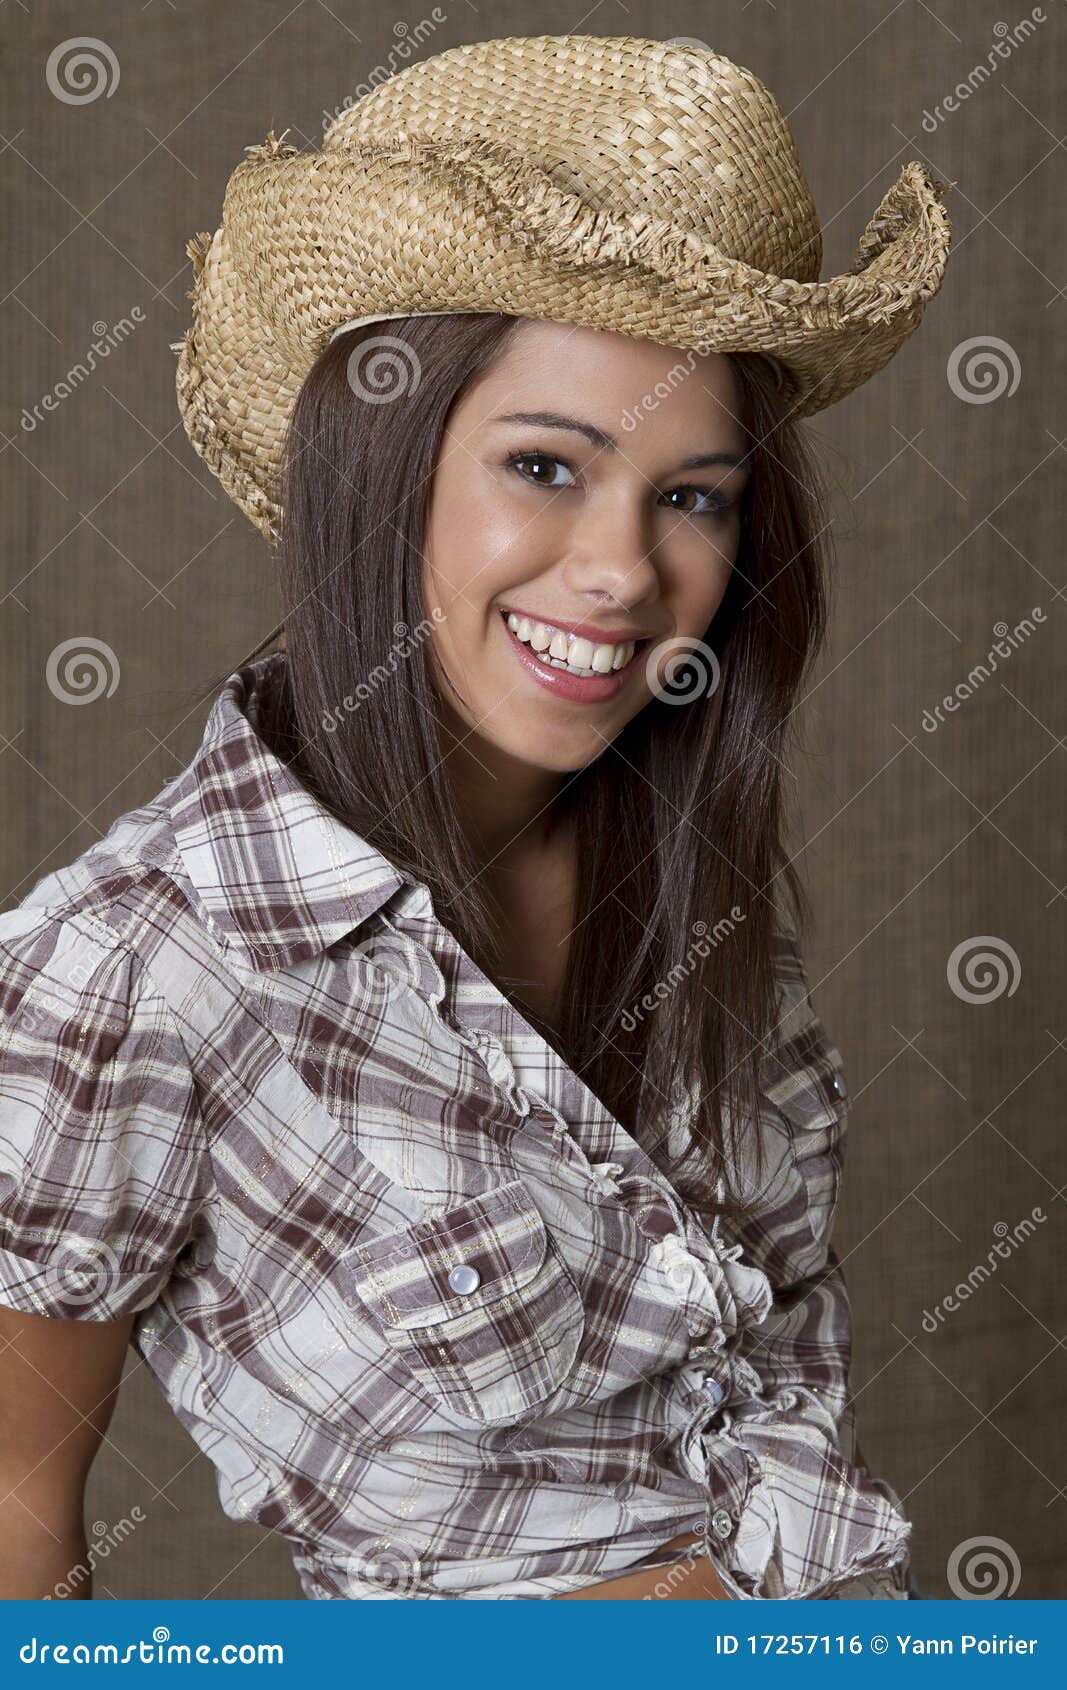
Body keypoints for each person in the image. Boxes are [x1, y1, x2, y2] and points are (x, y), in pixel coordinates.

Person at [0, 34, 952, 1601]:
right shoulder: (130, 964)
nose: (623, 570)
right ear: (382, 467)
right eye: (544, 465)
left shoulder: (687, 881)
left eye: (692, 494)